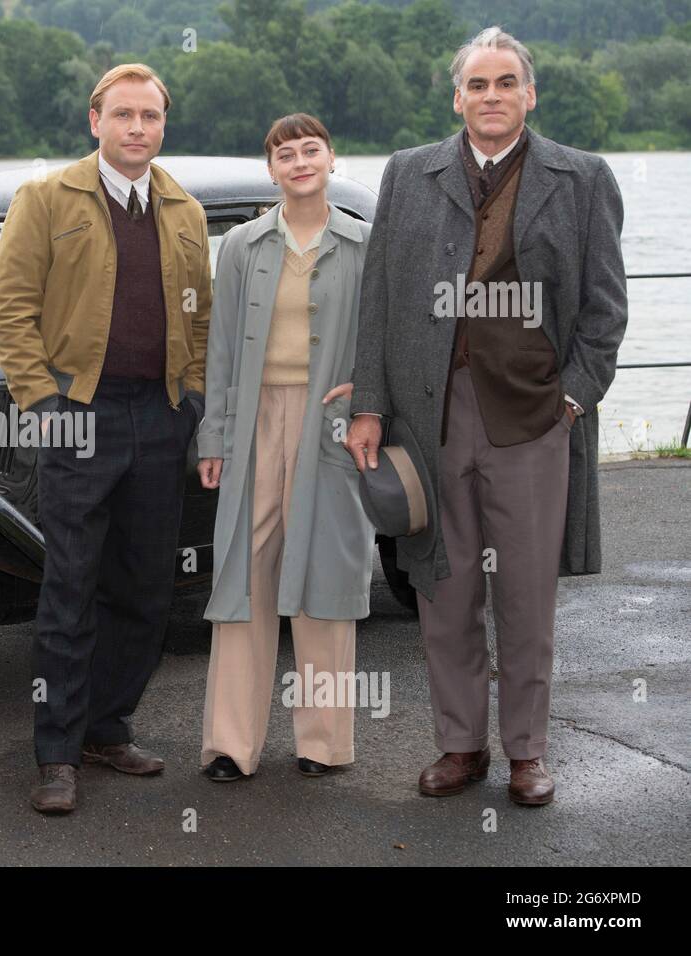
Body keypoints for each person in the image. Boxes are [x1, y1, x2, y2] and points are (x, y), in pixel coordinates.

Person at [345, 27, 628, 805]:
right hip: (428, 414)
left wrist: (572, 397)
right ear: (457, 96)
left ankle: (528, 753)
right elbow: (378, 301)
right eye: (478, 85)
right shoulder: (408, 174)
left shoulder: (581, 178)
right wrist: (369, 404)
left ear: (529, 94)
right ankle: (460, 745)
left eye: (506, 83)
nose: (492, 96)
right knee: (442, 586)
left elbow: (605, 310)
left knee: (527, 595)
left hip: (535, 417)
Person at [0, 63, 212, 814]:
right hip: (76, 413)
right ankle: (55, 753)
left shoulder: (184, 209)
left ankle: (107, 728)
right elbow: (8, 309)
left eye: (150, 116)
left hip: (158, 413)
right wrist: (42, 402)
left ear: (162, 125)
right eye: (124, 115)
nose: (137, 128)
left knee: (147, 588)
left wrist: (193, 398)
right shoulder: (46, 199)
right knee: (70, 587)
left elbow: (200, 316)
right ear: (95, 121)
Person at [196, 113, 375, 782]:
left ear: (332, 158)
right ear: (270, 169)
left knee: (325, 575)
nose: (299, 161)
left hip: (331, 420)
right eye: (285, 153)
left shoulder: (363, 244)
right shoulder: (242, 246)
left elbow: (383, 335)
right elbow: (218, 351)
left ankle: (323, 744)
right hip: (252, 420)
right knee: (244, 576)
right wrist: (214, 433)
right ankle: (229, 746)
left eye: (311, 149)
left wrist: (369, 397)